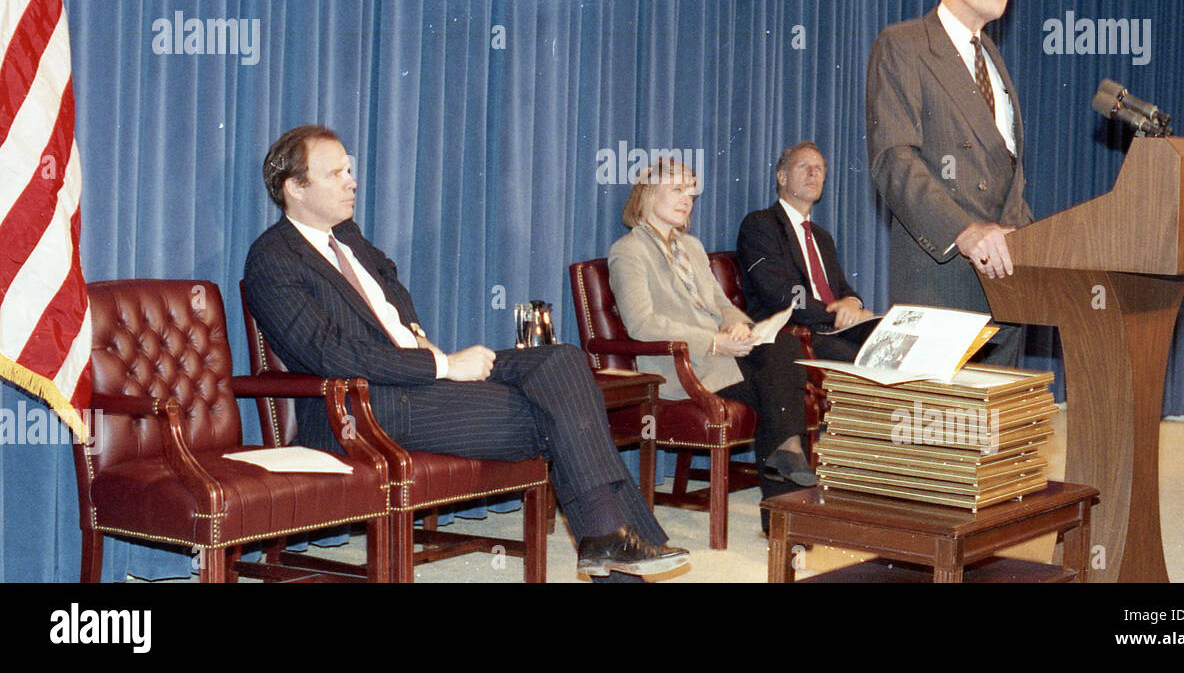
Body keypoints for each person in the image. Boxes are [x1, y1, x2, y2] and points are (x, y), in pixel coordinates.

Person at [243, 125, 688, 580]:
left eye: (350, 170)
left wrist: (421, 340)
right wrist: (443, 364)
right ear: (294, 188)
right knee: (560, 410)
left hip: (417, 382)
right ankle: (617, 545)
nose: (351, 181)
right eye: (335, 173)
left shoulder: (349, 237)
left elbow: (392, 298)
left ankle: (607, 540)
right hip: (364, 407)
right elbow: (328, 353)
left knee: (563, 360)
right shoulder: (273, 258)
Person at [865, 0, 1032, 365]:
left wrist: (1028, 238)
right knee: (938, 425)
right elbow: (894, 159)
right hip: (944, 270)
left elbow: (1008, 168)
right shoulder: (904, 43)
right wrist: (964, 231)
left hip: (1007, 272)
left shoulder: (992, 56)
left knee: (994, 425)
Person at [607, 156, 817, 495]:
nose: (686, 200)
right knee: (776, 385)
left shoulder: (691, 246)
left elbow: (721, 305)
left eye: (690, 193)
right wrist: (714, 341)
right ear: (647, 194)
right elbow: (641, 323)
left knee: (785, 348)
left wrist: (739, 327)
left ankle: (787, 458)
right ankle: (788, 506)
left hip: (723, 356)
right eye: (676, 190)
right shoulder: (629, 251)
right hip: (683, 364)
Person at [736, 141, 874, 364]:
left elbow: (842, 288)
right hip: (796, 333)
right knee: (867, 361)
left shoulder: (822, 237)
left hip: (833, 327)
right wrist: (840, 315)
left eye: (819, 169)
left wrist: (853, 304)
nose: (813, 173)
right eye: (803, 166)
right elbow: (781, 295)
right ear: (782, 177)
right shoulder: (761, 224)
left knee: (895, 344)